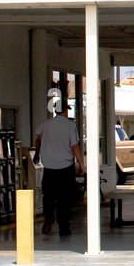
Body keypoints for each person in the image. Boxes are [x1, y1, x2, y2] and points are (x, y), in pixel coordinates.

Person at [32, 88, 84, 237]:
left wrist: (37, 153)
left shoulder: (46, 124)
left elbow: (38, 138)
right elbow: (74, 146)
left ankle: (48, 219)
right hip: (65, 168)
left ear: (55, 111)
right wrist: (81, 165)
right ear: (66, 112)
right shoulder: (70, 126)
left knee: (48, 196)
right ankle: (64, 226)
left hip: (48, 167)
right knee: (64, 199)